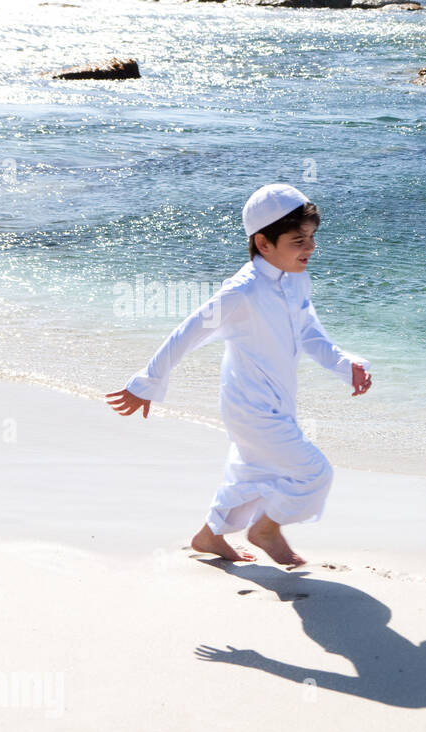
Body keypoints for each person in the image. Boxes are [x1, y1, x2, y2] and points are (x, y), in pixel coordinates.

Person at [106, 184, 372, 568]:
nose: (310, 247)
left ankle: (210, 535)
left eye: (312, 237)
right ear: (264, 244)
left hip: (278, 399)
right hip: (249, 407)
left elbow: (309, 332)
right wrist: (146, 383)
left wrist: (345, 365)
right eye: (298, 240)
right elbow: (188, 332)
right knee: (314, 473)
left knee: (252, 474)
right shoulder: (241, 292)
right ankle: (265, 530)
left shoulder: (296, 278)